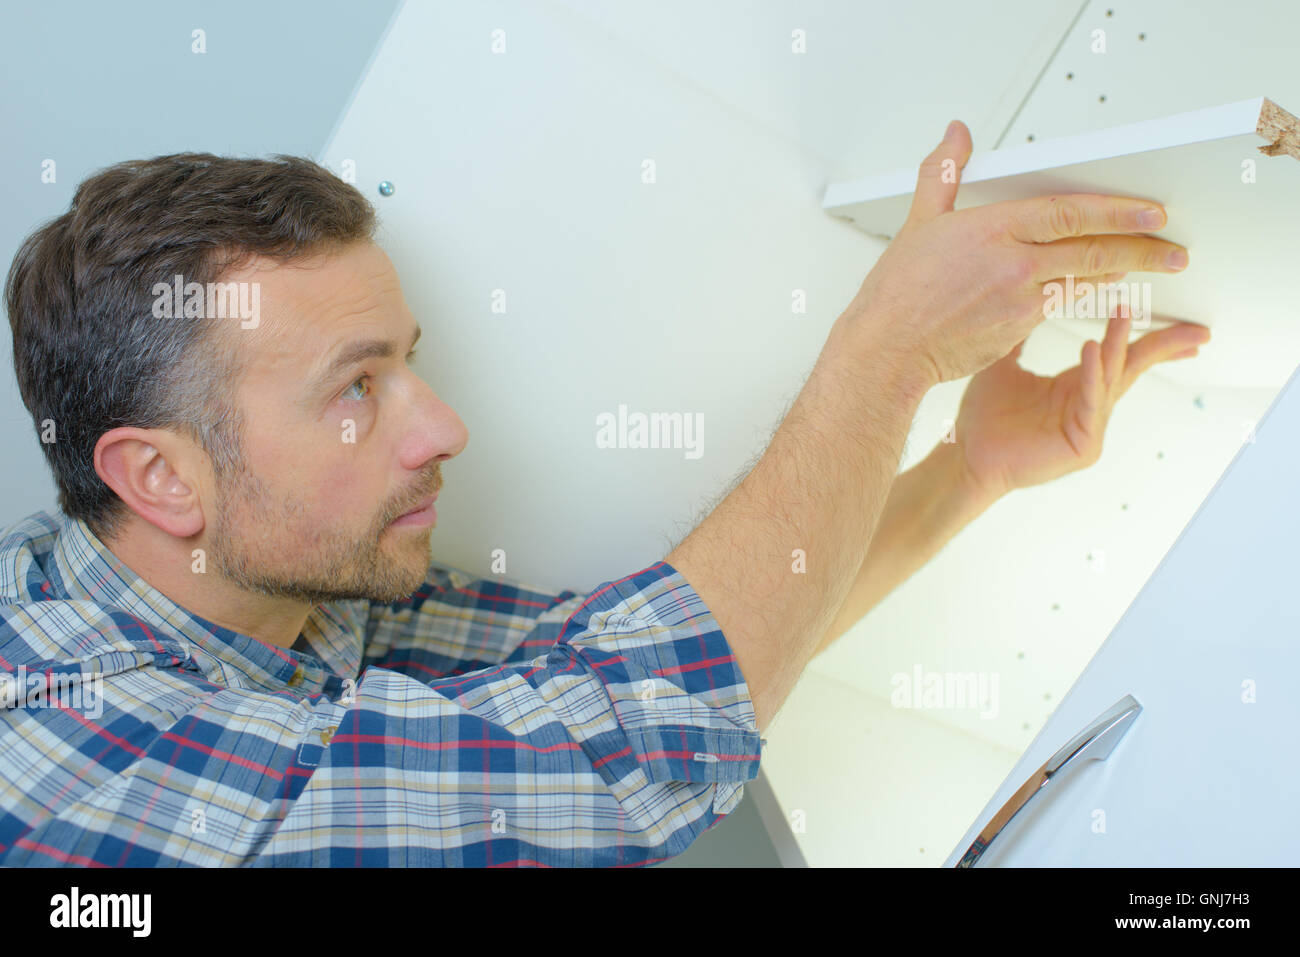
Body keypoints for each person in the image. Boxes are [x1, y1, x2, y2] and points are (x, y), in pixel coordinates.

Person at [0, 122, 1208, 866]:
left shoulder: (292, 594)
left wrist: (971, 469)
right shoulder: (74, 760)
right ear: (159, 477)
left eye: (406, 357)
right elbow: (625, 751)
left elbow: (651, 673)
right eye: (355, 389)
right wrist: (885, 359)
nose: (442, 428)